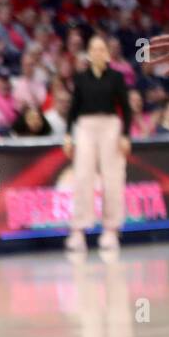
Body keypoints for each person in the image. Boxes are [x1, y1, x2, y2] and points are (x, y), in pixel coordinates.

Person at [64, 35, 130, 262]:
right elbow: (73, 108)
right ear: (89, 53)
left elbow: (126, 108)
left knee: (112, 176)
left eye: (101, 49)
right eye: (93, 48)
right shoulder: (81, 78)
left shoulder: (116, 77)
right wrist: (67, 135)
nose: (98, 52)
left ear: (107, 53)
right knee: (82, 176)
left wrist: (126, 135)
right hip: (85, 126)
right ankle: (78, 230)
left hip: (110, 125)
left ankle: (111, 229)